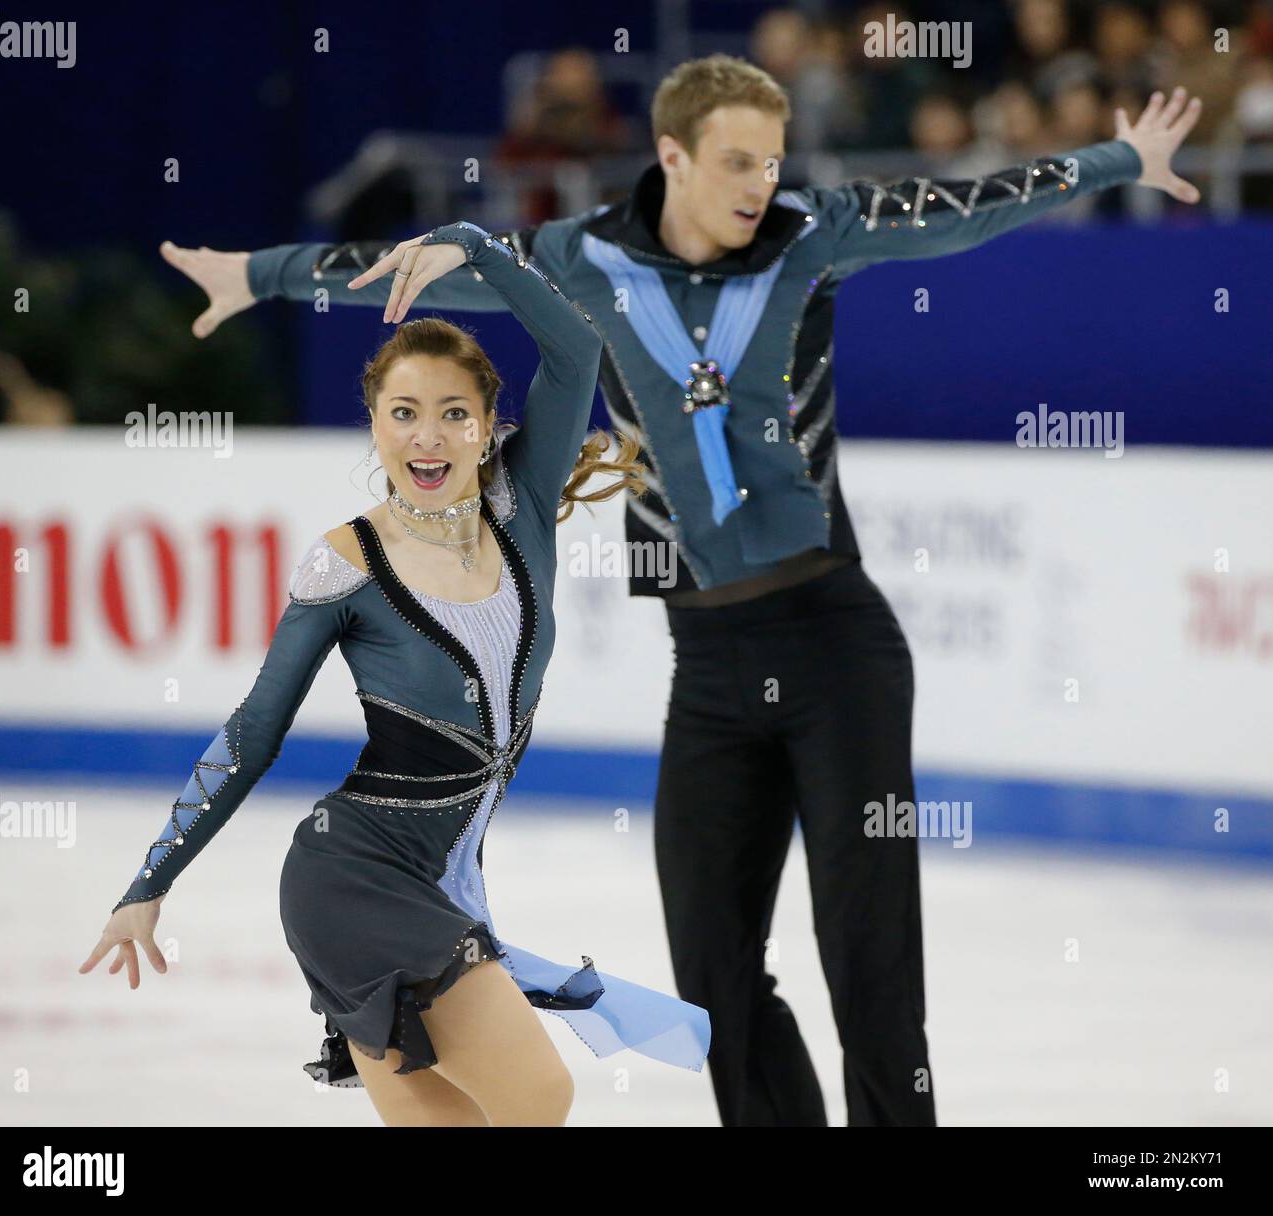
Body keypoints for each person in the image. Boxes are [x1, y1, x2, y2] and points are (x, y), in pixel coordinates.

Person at [158, 57, 1203, 1127]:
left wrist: (1121, 158)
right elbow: (409, 271)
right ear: (673, 157)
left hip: (836, 647)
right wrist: (265, 272)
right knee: (713, 971)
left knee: (870, 965)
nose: (763, 182)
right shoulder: (577, 257)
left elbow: (966, 210)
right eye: (739, 160)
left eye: (774, 159)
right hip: (706, 670)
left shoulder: (813, 233)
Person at [78, 219, 711, 1128]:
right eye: (403, 412)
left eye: (455, 412)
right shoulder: (347, 565)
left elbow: (578, 347)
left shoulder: (522, 511)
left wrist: (474, 245)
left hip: (441, 882)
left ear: (490, 426)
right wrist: (149, 883)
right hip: (350, 877)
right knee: (539, 1095)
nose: (428, 436)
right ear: (373, 425)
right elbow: (253, 732)